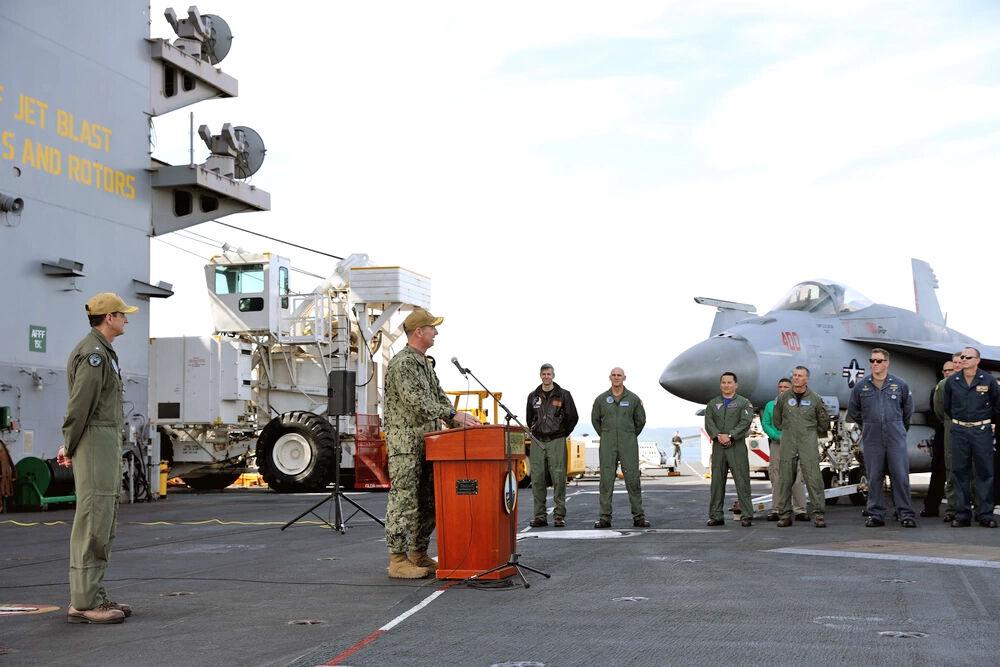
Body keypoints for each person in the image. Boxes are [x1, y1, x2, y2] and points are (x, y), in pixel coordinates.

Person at [57, 293, 138, 624]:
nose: (126, 320)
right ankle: (85, 601)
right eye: (122, 315)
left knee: (101, 517)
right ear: (109, 318)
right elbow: (80, 406)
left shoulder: (103, 352)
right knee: (94, 518)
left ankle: (91, 594)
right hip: (94, 442)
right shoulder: (93, 355)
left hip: (102, 441)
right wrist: (69, 444)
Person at [383, 308, 480, 579]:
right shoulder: (403, 363)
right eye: (432, 328)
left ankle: (418, 553)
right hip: (406, 443)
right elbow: (415, 400)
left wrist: (458, 420)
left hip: (429, 442)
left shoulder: (424, 362)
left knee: (428, 500)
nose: (436, 332)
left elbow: (438, 398)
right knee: (404, 499)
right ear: (419, 332)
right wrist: (450, 415)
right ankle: (398, 559)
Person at [847, 348, 916, 528]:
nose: (874, 364)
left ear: (886, 363)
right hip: (872, 436)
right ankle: (876, 514)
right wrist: (869, 424)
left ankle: (905, 514)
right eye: (872, 360)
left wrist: (899, 427)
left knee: (900, 476)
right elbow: (854, 411)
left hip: (895, 435)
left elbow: (907, 411)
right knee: (874, 476)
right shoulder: (861, 386)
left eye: (878, 360)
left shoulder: (900, 385)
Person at [942, 347, 1000, 528]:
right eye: (962, 357)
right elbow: (947, 407)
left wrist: (988, 423)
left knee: (984, 473)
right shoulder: (952, 381)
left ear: (977, 360)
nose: (964, 359)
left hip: (981, 431)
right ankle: (962, 514)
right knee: (959, 472)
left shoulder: (989, 380)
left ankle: (984, 514)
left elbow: (997, 405)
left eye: (968, 357)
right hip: (959, 431)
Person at [592, 367, 649, 528]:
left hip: (628, 444)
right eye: (614, 375)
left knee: (633, 480)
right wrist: (606, 435)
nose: (616, 377)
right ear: (609, 377)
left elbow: (641, 421)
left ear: (625, 378)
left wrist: (629, 435)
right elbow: (595, 420)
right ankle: (604, 518)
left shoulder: (633, 399)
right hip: (607, 444)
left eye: (619, 375)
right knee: (606, 481)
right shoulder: (601, 399)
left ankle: (639, 517)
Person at [772, 366, 829, 528]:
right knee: (785, 478)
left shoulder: (815, 399)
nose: (796, 378)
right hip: (788, 440)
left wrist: (809, 432)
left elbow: (823, 421)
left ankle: (819, 515)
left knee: (813, 478)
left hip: (807, 440)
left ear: (807, 379)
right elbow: (777, 420)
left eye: (800, 376)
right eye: (794, 375)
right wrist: (789, 430)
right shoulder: (783, 398)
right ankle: (784, 515)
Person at [525, 363, 579, 528]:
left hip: (557, 440)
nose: (546, 377)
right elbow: (529, 418)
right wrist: (537, 431)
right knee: (537, 478)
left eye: (549, 374)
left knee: (558, 478)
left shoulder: (563, 395)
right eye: (544, 374)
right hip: (538, 440)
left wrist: (562, 433)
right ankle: (540, 516)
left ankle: (559, 516)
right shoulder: (533, 396)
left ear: (553, 376)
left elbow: (573, 417)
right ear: (540, 375)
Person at [704, 372, 755, 527]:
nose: (726, 385)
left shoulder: (743, 403)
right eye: (724, 382)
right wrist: (717, 435)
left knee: (742, 481)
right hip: (718, 447)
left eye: (729, 382)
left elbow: (746, 421)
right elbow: (709, 422)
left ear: (736, 385)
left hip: (737, 447)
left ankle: (746, 515)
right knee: (717, 482)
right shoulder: (713, 404)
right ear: (720, 385)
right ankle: (716, 515)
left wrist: (731, 435)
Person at [761, 378, 809, 522]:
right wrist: (776, 435)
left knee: (797, 478)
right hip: (777, 444)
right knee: (776, 477)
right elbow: (766, 423)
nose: (782, 389)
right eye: (780, 386)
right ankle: (777, 509)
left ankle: (800, 510)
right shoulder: (770, 405)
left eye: (785, 386)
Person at [923, 355, 960, 519]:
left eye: (950, 370)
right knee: (938, 470)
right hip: (943, 432)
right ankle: (931, 507)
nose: (947, 373)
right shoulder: (938, 388)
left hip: (963, 432)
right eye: (945, 370)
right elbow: (936, 412)